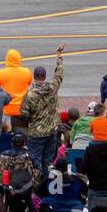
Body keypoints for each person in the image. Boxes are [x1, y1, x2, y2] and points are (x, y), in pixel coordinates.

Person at [22, 45, 65, 179]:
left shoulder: (29, 95)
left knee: (35, 161)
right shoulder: (52, 88)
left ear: (34, 77)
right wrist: (59, 57)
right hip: (51, 131)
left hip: (35, 132)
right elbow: (59, 74)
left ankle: (37, 186)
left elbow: (24, 113)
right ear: (45, 76)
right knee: (48, 161)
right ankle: (47, 185)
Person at [0, 49, 33, 129]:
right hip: (21, 109)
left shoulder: (1, 73)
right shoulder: (26, 72)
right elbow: (29, 82)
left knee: (6, 132)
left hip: (6, 109)